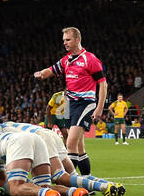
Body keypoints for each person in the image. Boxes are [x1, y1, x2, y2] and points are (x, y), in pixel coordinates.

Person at [32, 26, 105, 176]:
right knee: (79, 147)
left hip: (85, 103)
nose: (65, 43)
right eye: (64, 40)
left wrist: (99, 108)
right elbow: (51, 70)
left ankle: (68, 181)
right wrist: (41, 74)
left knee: (70, 144)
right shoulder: (66, 60)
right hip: (70, 105)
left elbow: (103, 84)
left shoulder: (90, 59)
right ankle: (87, 181)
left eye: (68, 39)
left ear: (77, 40)